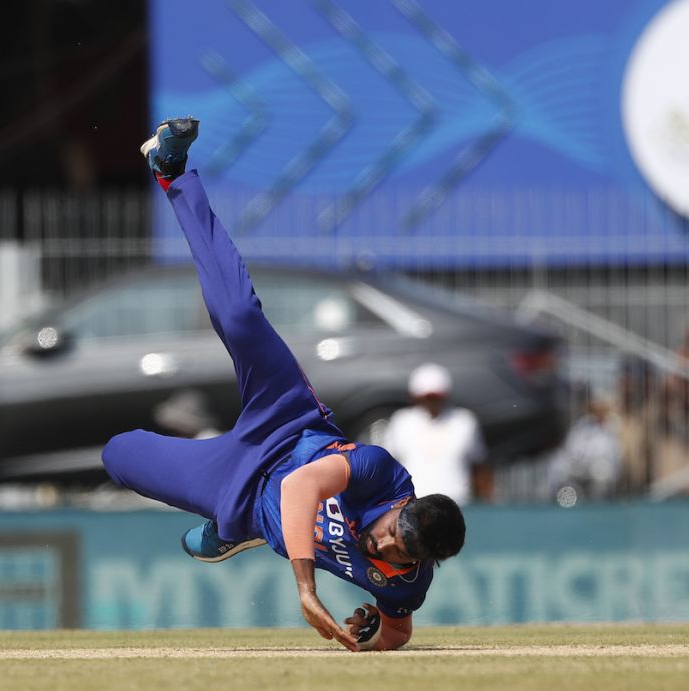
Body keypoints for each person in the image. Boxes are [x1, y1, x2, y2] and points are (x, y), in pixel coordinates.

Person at [101, 118, 466, 652]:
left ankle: (237, 527)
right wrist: (307, 590)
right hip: (287, 425)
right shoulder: (383, 476)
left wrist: (368, 638)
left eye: (402, 545)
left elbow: (399, 630)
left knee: (118, 454)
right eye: (397, 525)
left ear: (420, 562)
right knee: (240, 316)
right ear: (401, 507)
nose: (387, 538)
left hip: (241, 493)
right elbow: (301, 487)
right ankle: (174, 173)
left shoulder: (407, 583)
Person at [382, 363, 491, 506]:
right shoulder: (401, 422)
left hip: (457, 507)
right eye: (427, 397)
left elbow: (479, 466)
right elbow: (388, 468)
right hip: (412, 506)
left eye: (435, 397)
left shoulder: (464, 421)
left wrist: (487, 502)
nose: (431, 402)